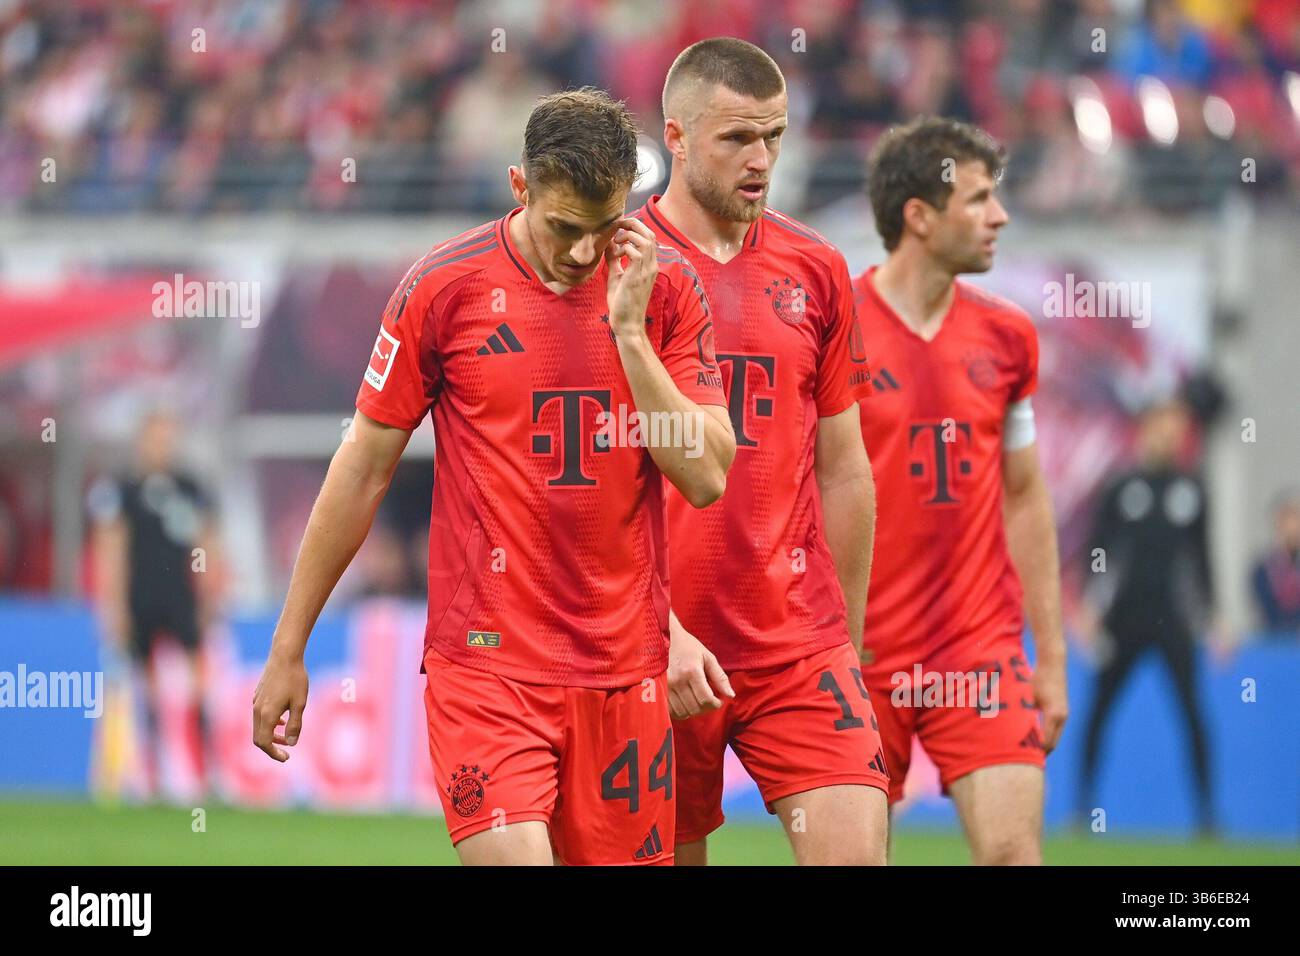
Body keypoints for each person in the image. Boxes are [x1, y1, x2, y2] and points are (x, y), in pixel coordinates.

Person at [251, 88, 736, 866]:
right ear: (521, 188)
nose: (584, 253)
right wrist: (289, 643)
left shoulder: (665, 289)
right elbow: (362, 468)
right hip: (487, 669)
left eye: (605, 228)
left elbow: (707, 475)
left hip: (624, 674)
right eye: (563, 229)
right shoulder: (444, 289)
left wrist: (630, 339)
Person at [635, 38, 888, 867]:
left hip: (797, 643)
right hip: (650, 647)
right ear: (675, 136)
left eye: (774, 137)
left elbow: (845, 466)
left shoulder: (815, 269)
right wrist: (658, 630)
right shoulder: (617, 268)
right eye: (736, 138)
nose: (761, 159)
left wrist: (842, 641)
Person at [852, 116, 1068, 865]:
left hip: (978, 651)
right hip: (858, 653)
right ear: (919, 215)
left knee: (1014, 855)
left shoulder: (1008, 339)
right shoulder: (831, 330)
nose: (1000, 216)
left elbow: (1026, 496)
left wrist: (1052, 659)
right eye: (978, 200)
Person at [1077, 396, 1217, 833]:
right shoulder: (1122, 487)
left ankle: (1206, 817)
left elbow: (1203, 558)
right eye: (1161, 424)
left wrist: (1213, 616)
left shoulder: (1192, 489)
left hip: (1173, 618)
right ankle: (1083, 811)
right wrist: (1088, 606)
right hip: (1124, 618)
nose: (1169, 434)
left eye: (1176, 426)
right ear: (1145, 429)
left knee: (1193, 713)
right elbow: (1096, 550)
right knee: (1098, 712)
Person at [89, 409, 220, 798]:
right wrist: (112, 607)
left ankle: (208, 775)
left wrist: (211, 595)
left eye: (168, 438)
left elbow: (207, 544)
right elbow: (110, 549)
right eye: (156, 438)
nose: (163, 446)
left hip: (182, 596)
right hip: (141, 597)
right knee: (148, 688)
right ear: (142, 441)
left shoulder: (190, 486)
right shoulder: (122, 490)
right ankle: (154, 779)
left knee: (198, 683)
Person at [1250, 489, 1300, 636]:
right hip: (1276, 645)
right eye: (1289, 518)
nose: (1294, 526)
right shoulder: (1262, 570)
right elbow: (1268, 611)